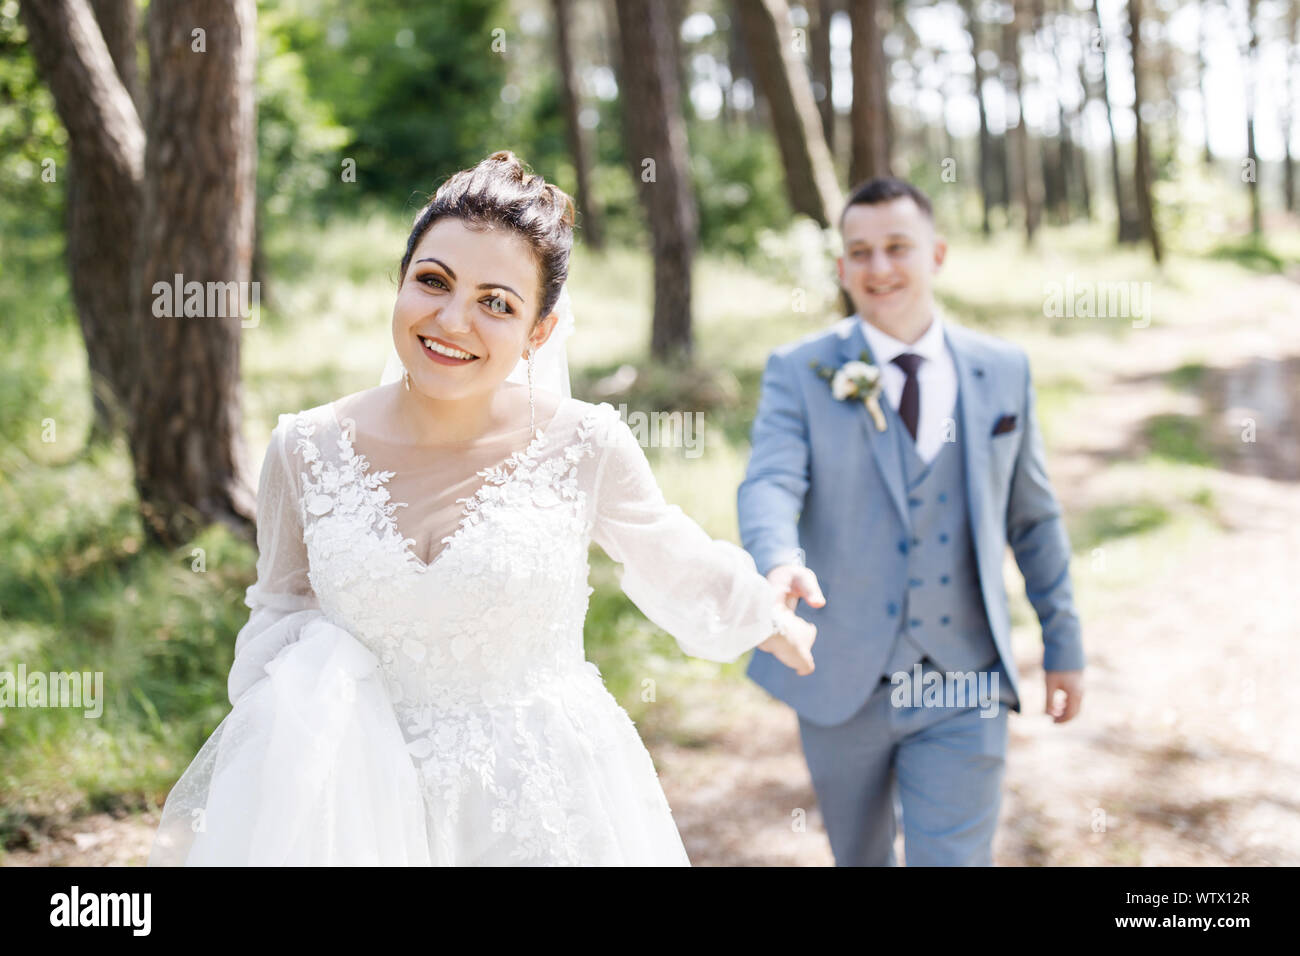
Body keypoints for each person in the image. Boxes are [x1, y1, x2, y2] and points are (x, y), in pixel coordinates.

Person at [148, 150, 816, 866]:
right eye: (432, 282)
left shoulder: (584, 443)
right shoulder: (304, 448)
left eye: (496, 302)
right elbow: (279, 611)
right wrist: (281, 773)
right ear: (399, 284)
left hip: (545, 803)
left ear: (539, 332)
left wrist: (767, 615)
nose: (452, 320)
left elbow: (667, 553)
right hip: (359, 812)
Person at [738, 176, 1085, 866]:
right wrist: (778, 557)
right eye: (860, 253)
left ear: (938, 254)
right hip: (841, 676)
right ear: (841, 268)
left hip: (966, 680)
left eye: (898, 247)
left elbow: (1034, 518)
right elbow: (770, 480)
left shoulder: (1003, 370)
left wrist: (1062, 642)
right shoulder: (799, 370)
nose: (880, 268)